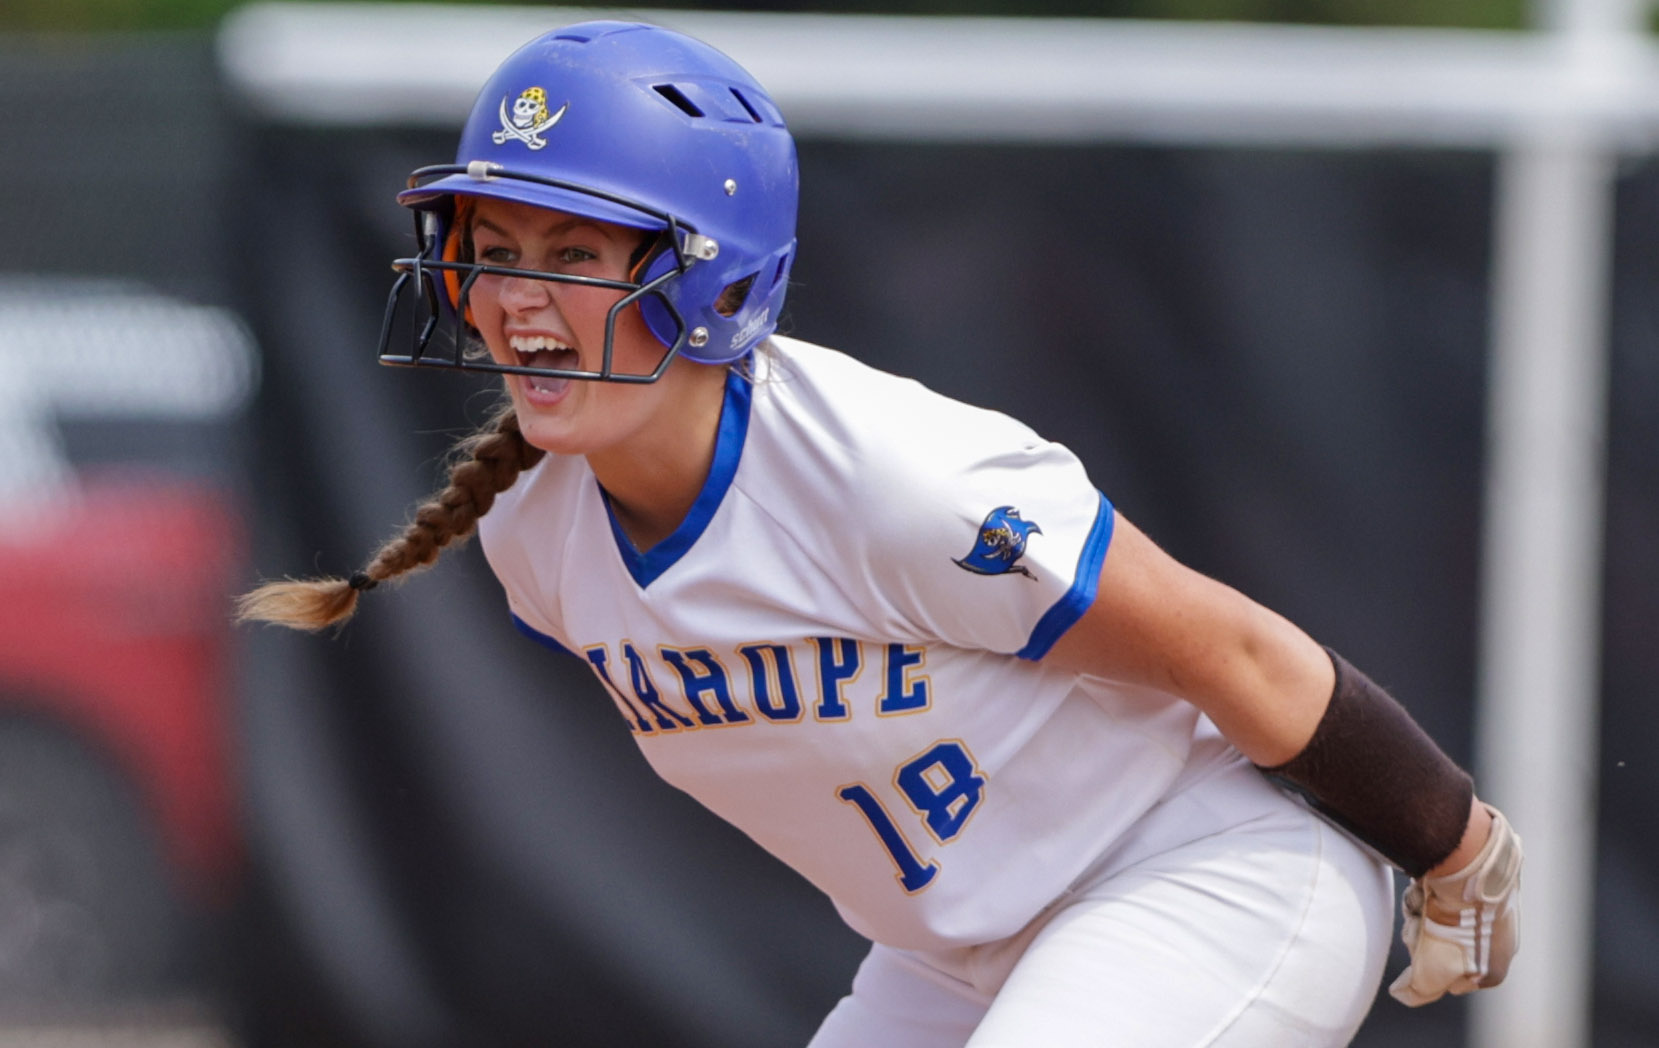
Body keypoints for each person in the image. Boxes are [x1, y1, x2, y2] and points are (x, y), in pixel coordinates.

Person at [239, 20, 1521, 1047]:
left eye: (574, 249)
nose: (517, 295)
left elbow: (1229, 652)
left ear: (712, 277)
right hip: (956, 950)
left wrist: (1457, 848)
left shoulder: (892, 478)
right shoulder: (538, 546)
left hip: (1203, 875)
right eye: (494, 246)